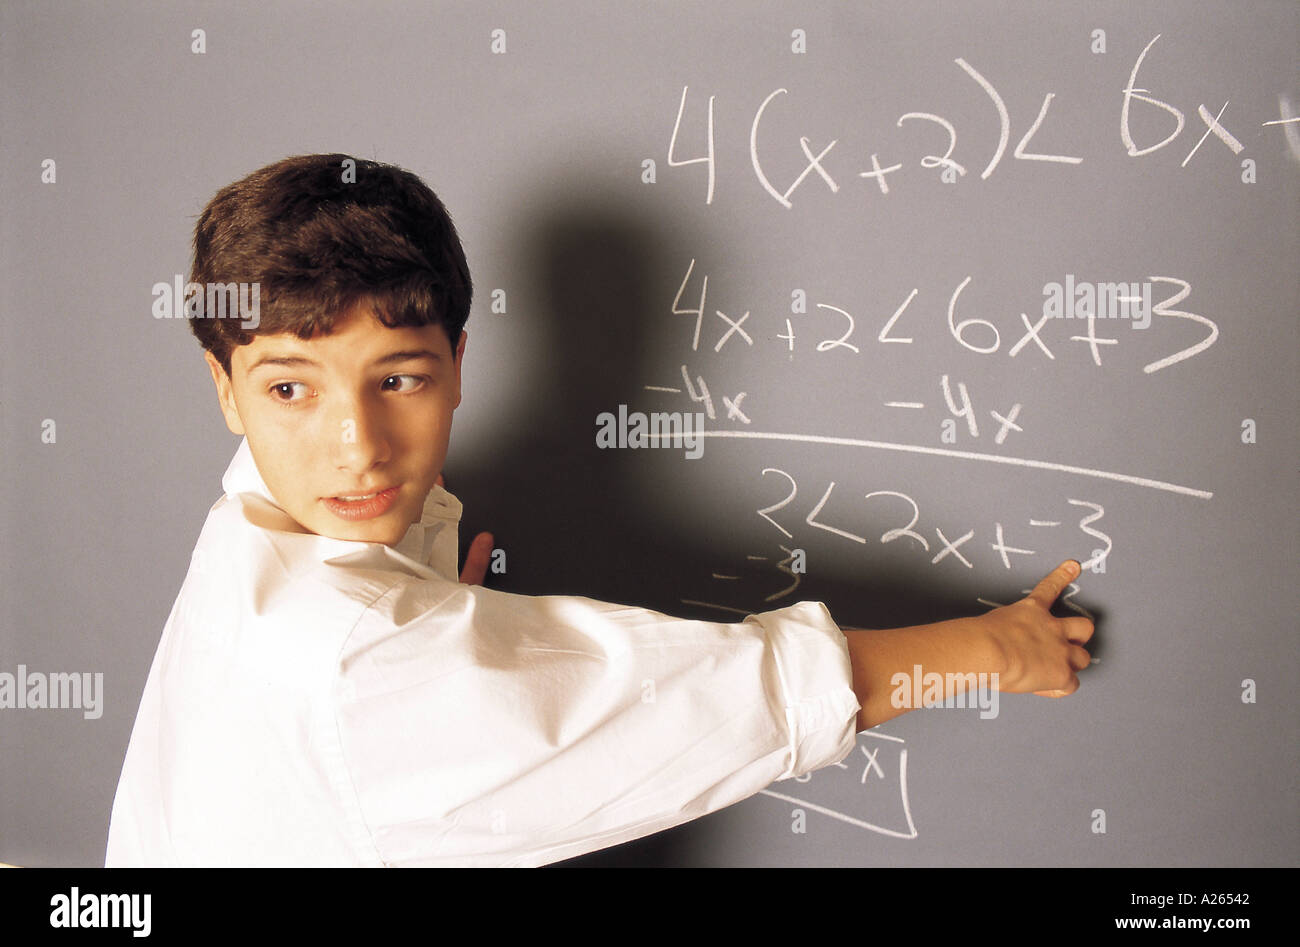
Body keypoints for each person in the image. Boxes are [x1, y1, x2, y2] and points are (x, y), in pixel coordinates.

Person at [105, 154, 1093, 867]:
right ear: (225, 389)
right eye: (291, 390)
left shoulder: (249, 529)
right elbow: (732, 702)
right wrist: (994, 650)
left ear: (457, 366)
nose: (357, 443)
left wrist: (426, 610)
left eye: (397, 379)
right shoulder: (363, 665)